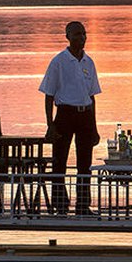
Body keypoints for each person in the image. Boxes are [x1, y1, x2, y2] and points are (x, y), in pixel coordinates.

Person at [39, 20, 102, 214]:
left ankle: (83, 205)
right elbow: (49, 94)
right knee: (60, 162)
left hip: (85, 116)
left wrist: (94, 127)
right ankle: (60, 203)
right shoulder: (59, 61)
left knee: (85, 164)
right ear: (68, 37)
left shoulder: (88, 62)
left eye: (83, 34)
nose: (81, 38)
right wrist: (50, 125)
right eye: (77, 34)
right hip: (65, 114)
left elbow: (92, 96)